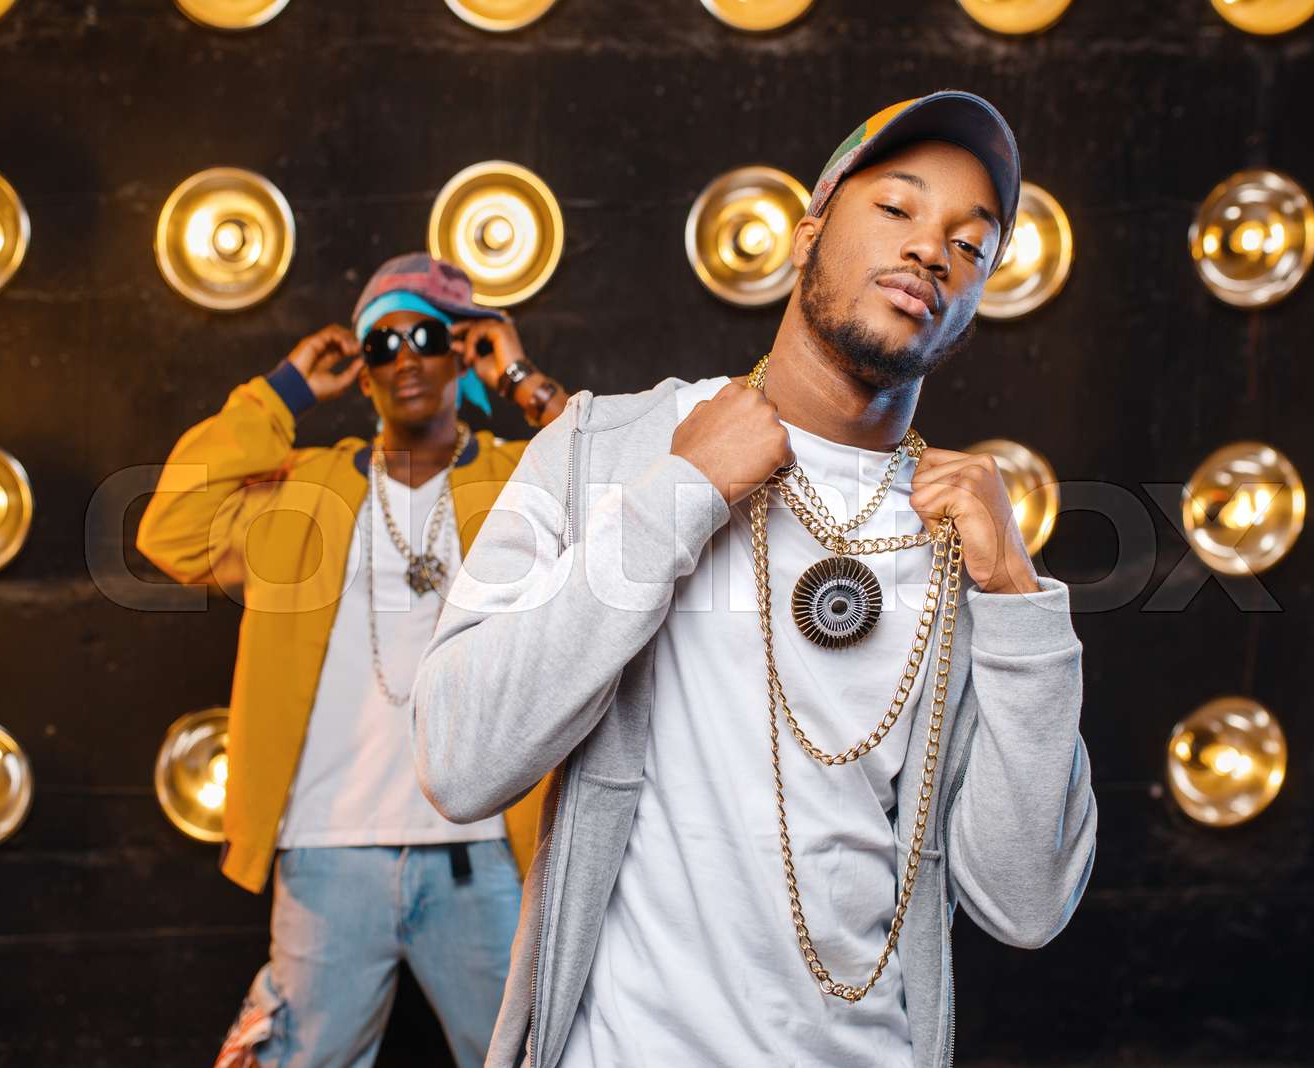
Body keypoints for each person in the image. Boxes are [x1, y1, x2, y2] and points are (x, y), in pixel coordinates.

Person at [412, 91, 1098, 1068]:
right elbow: (459, 758)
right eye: (897, 210)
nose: (930, 251)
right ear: (804, 235)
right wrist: (678, 497)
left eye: (970, 244)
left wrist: (1021, 606)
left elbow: (1025, 902)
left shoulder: (968, 539)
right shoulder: (603, 449)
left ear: (974, 305)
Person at [136, 252, 568, 1068]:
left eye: (427, 335)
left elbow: (631, 502)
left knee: (538, 1058)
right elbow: (169, 529)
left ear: (461, 351)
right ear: (362, 373)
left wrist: (520, 380)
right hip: (327, 851)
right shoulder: (306, 490)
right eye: (380, 344)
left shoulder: (521, 480)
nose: (404, 355)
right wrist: (285, 392)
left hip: (487, 848)